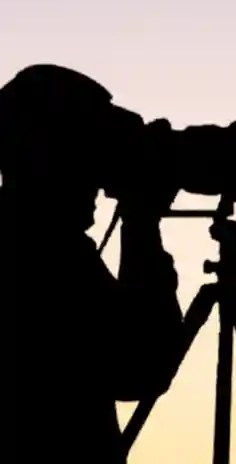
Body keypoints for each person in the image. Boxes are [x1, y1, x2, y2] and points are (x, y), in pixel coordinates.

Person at [2, 64, 185, 464]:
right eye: (85, 153)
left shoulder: (33, 240)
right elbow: (141, 364)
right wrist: (140, 224)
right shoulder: (47, 254)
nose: (98, 180)